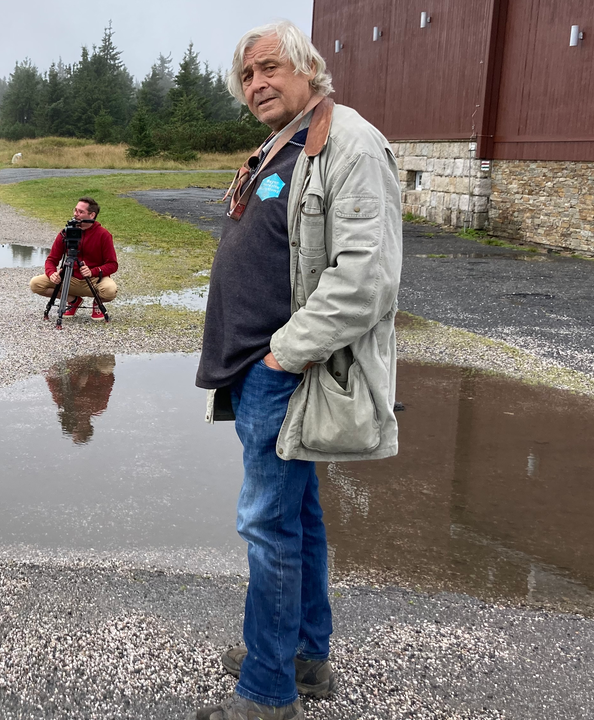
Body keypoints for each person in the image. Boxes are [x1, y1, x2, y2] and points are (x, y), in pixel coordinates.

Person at [191, 19, 402, 720]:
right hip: (258, 369)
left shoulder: (350, 143)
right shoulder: (283, 142)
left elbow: (366, 278)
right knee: (298, 520)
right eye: (247, 75)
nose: (256, 84)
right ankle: (302, 658)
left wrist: (283, 355)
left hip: (282, 372)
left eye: (270, 68)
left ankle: (266, 692)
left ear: (308, 68)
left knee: (268, 527)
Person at [29, 196, 118, 319]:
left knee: (110, 290)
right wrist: (52, 273)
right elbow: (51, 260)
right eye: (75, 210)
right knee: (35, 284)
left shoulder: (103, 235)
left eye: (80, 212)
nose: (76, 214)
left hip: (93, 279)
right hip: (70, 278)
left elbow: (113, 264)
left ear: (92, 215)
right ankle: (73, 300)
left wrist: (92, 271)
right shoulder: (66, 232)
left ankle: (97, 303)